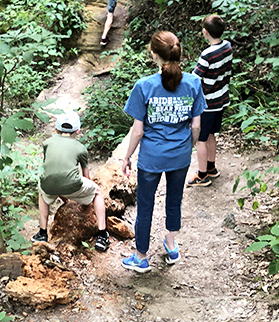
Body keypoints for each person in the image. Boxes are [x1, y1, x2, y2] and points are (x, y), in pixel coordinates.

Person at [121, 30, 206, 273]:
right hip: (180, 155)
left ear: (154, 54)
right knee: (175, 199)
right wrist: (189, 146)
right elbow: (196, 126)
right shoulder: (193, 83)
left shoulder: (144, 86)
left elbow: (138, 131)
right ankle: (171, 245)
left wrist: (127, 156)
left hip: (151, 157)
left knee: (145, 205)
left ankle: (141, 257)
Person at [32, 111, 110, 253]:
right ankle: (102, 235)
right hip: (72, 185)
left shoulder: (47, 143)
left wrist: (63, 197)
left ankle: (42, 232)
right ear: (77, 130)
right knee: (97, 192)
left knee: (42, 190)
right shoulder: (80, 148)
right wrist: (86, 197)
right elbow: (86, 176)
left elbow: (53, 169)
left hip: (49, 185)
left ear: (56, 130)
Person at [188, 14, 233, 188]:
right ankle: (211, 167)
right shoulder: (227, 46)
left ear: (205, 32)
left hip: (207, 103)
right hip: (221, 98)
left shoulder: (207, 54)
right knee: (211, 134)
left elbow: (195, 78)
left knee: (201, 139)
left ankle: (202, 175)